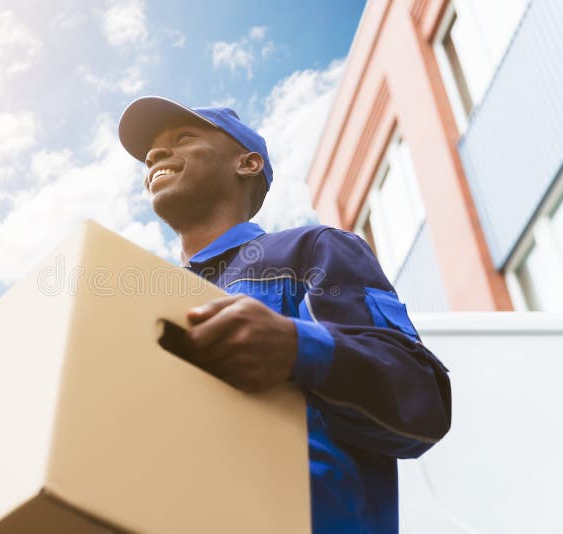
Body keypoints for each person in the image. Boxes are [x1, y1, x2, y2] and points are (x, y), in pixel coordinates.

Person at [117, 96, 451, 533]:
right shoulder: (144, 302)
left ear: (247, 163)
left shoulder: (314, 250)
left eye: (182, 138)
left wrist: (299, 348)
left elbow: (423, 400)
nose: (155, 154)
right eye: (151, 152)